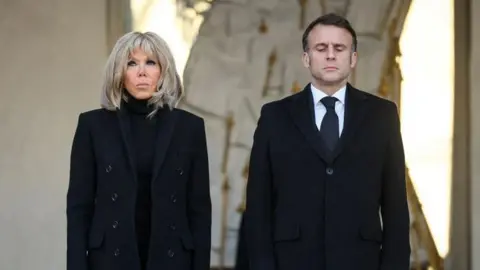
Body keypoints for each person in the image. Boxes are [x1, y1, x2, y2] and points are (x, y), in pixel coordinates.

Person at [245, 13, 410, 270]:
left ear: (353, 58)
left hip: (361, 261)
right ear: (306, 58)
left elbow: (396, 207)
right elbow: (258, 206)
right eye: (321, 48)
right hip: (292, 261)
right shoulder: (274, 116)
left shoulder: (382, 115)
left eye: (339, 48)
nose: (330, 55)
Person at [66, 31, 211, 270]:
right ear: (119, 72)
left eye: (150, 62)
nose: (141, 72)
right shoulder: (92, 126)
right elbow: (79, 208)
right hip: (109, 259)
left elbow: (200, 211)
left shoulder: (190, 127)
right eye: (132, 63)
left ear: (163, 71)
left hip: (172, 259)